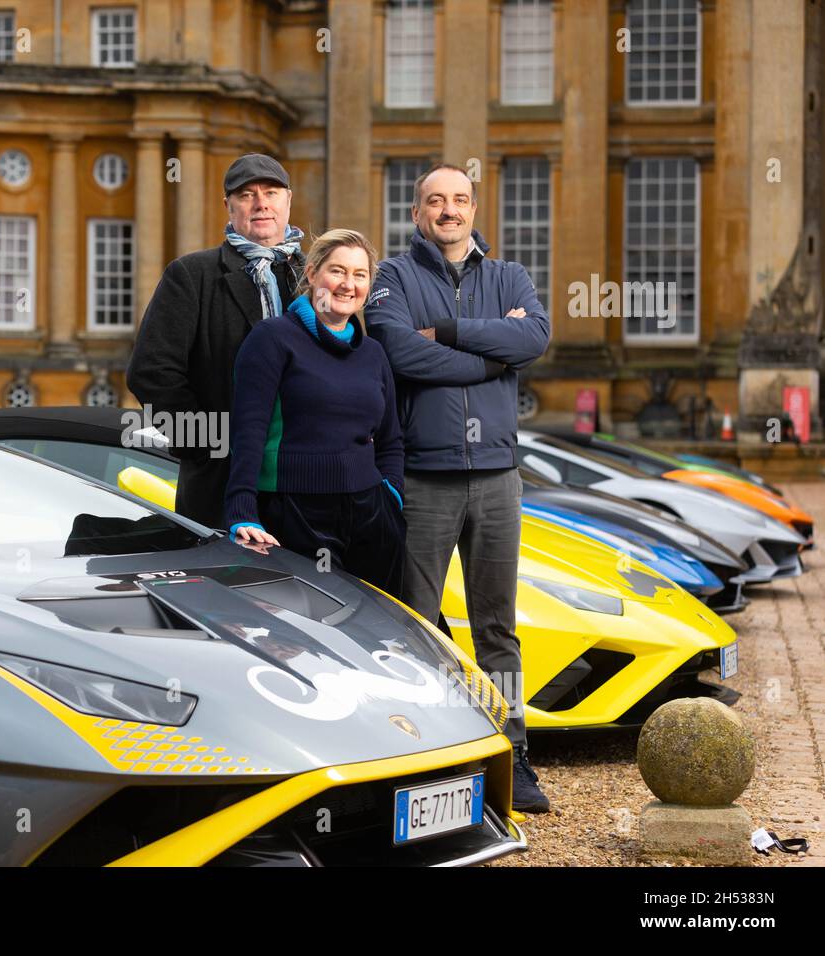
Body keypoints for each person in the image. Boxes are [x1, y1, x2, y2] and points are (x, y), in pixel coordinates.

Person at [363, 163, 553, 813]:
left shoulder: (510, 277)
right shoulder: (392, 276)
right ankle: (423, 756)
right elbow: (395, 350)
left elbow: (534, 336)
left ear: (474, 209)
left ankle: (513, 751)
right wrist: (493, 353)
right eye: (435, 201)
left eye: (461, 200)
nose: (449, 210)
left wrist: (444, 331)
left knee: (497, 627)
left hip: (499, 478)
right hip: (426, 478)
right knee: (416, 625)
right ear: (417, 214)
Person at [224, 229, 406, 598]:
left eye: (359, 275)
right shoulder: (272, 338)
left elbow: (391, 439)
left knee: (378, 635)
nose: (348, 284)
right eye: (337, 271)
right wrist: (241, 510)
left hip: (371, 515)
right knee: (312, 638)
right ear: (311, 274)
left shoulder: (373, 353)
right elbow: (248, 430)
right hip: (295, 514)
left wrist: (392, 496)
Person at [125, 154, 305, 528]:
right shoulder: (192, 274)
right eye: (246, 194)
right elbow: (151, 372)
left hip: (307, 480)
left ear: (288, 200)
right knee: (230, 584)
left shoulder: (317, 273)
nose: (261, 203)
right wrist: (208, 445)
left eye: (271, 192)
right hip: (222, 483)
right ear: (228, 205)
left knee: (310, 586)